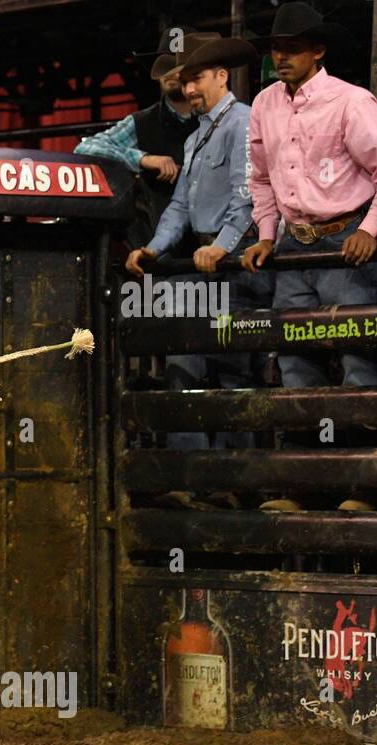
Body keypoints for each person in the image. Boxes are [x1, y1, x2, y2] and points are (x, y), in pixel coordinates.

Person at [124, 33, 271, 467]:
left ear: (222, 77)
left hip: (240, 260)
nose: (188, 90)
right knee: (184, 362)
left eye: (197, 79)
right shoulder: (196, 139)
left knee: (236, 372)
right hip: (208, 263)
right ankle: (195, 475)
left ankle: (241, 476)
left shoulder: (243, 122)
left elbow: (247, 195)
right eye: (185, 81)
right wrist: (152, 248)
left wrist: (222, 246)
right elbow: (182, 205)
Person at [241, 2, 377, 393]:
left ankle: (362, 450)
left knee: (359, 350)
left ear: (317, 50)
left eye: (292, 47)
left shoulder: (350, 101)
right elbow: (262, 177)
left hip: (345, 239)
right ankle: (311, 445)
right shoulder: (266, 103)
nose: (281, 56)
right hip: (293, 244)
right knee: (295, 353)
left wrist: (369, 229)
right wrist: (267, 235)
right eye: (276, 48)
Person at [75, 30, 200, 250]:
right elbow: (86, 148)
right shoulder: (142, 122)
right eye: (164, 63)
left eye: (178, 63)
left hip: (212, 246)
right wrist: (143, 159)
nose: (170, 71)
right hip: (160, 249)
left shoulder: (214, 119)